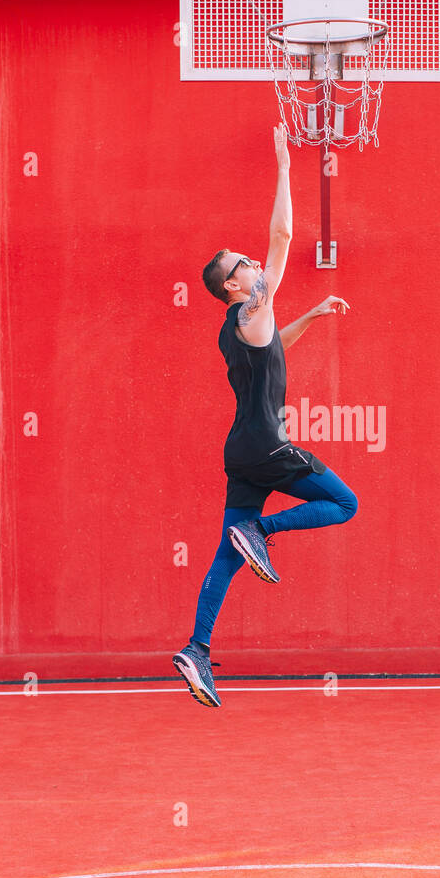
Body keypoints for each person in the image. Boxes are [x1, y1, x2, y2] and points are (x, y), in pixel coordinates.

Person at [173, 124, 358, 707]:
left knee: (228, 554)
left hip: (242, 452)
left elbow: (275, 347)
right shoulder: (251, 307)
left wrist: (310, 315)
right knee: (344, 504)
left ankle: (196, 649)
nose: (257, 265)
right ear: (232, 287)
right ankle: (264, 530)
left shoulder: (243, 327)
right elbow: (281, 234)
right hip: (266, 444)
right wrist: (282, 163)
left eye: (252, 262)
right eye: (245, 265)